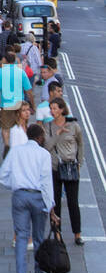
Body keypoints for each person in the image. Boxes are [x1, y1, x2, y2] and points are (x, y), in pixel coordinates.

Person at [0, 122, 57, 273]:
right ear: (39, 137)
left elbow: (2, 176)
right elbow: (46, 182)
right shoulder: (44, 154)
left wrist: (16, 186)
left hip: (19, 197)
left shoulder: (16, 151)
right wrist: (51, 206)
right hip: (38, 197)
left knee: (22, 238)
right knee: (38, 238)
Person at [44, 96, 85, 246]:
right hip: (55, 168)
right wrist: (58, 133)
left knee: (73, 202)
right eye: (51, 108)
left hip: (71, 167)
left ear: (62, 110)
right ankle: (57, 234)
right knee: (55, 204)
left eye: (55, 108)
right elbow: (47, 146)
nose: (52, 111)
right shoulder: (48, 126)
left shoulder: (74, 125)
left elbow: (80, 144)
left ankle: (77, 234)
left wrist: (80, 162)